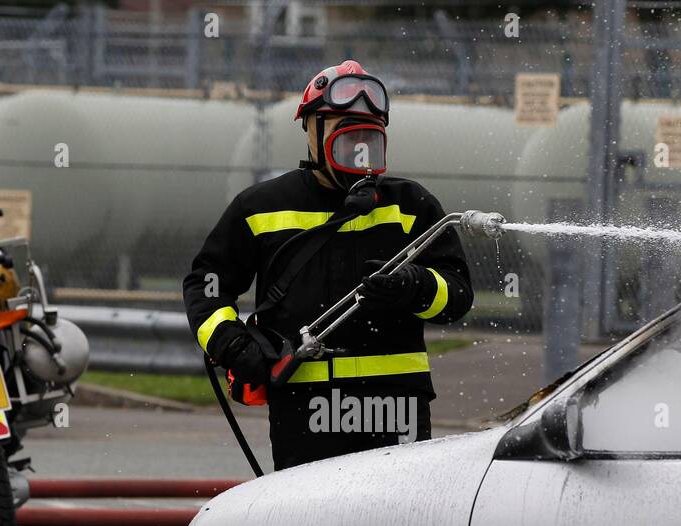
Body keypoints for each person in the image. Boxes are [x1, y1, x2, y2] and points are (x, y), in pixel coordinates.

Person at [183, 60, 474, 470]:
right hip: (306, 410)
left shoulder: (411, 207)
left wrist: (415, 285)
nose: (357, 143)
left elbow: (458, 296)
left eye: (366, 130)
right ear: (311, 129)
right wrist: (229, 341)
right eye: (343, 128)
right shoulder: (260, 208)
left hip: (397, 407)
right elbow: (206, 284)